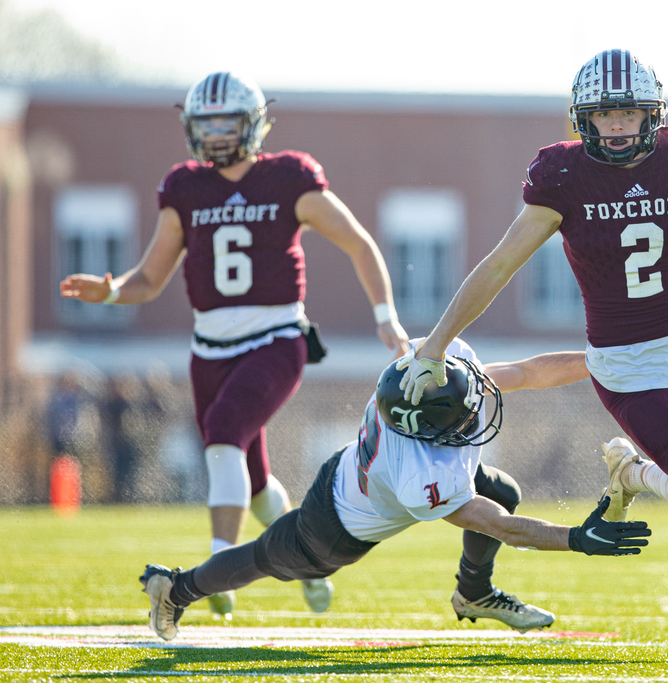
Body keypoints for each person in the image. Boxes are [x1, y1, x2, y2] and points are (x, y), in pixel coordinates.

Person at [398, 49, 668, 659]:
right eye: (603, 115)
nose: (616, 126)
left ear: (653, 113)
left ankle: (635, 474)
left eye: (627, 113)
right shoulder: (561, 176)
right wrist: (434, 345)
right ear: (582, 119)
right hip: (626, 366)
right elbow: (500, 265)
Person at [60, 71, 410, 619]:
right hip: (209, 352)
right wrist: (109, 291)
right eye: (206, 123)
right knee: (250, 483)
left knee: (222, 434)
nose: (217, 134)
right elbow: (148, 280)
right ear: (190, 127)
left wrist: (384, 316)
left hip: (275, 339)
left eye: (227, 122)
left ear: (254, 123)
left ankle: (216, 569)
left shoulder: (289, 177)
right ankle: (312, 564)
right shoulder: (185, 186)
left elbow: (359, 244)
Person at [139, 340, 651, 642]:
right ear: (432, 428)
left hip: (352, 469)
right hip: (337, 526)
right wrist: (577, 538)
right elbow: (495, 523)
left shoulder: (427, 375)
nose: (477, 410)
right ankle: (176, 589)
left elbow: (523, 372)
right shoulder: (420, 473)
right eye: (464, 414)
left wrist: (602, 360)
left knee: (502, 486)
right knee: (268, 556)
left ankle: (474, 595)